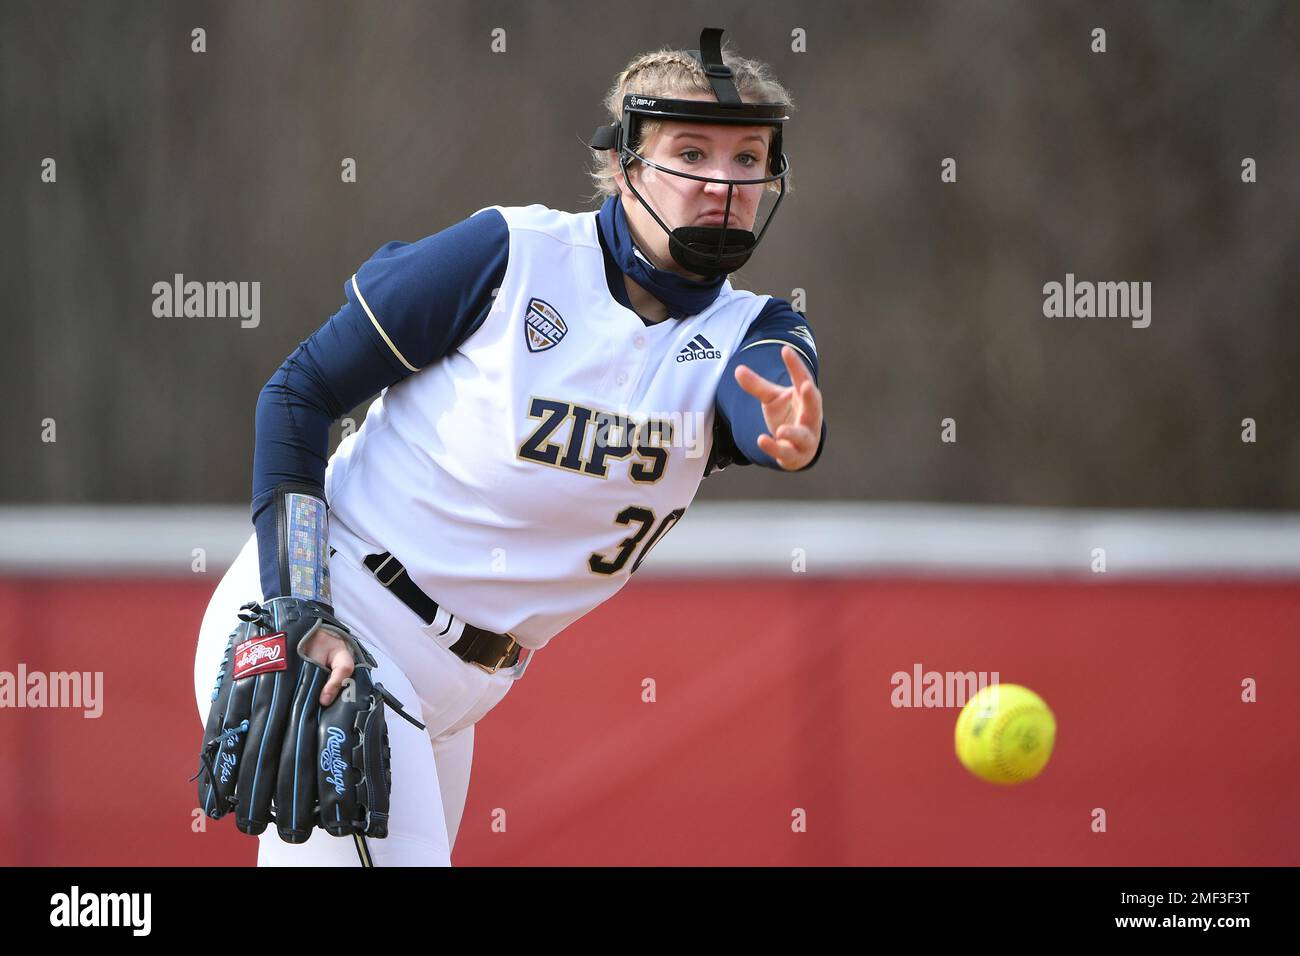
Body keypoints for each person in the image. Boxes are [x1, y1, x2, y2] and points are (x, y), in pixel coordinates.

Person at [192, 27, 826, 866]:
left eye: (749, 158)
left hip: (461, 688)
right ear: (625, 164)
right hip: (338, 621)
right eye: (691, 151)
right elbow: (299, 392)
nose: (722, 181)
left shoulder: (756, 328)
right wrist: (297, 606)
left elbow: (762, 402)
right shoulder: (511, 255)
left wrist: (786, 433)